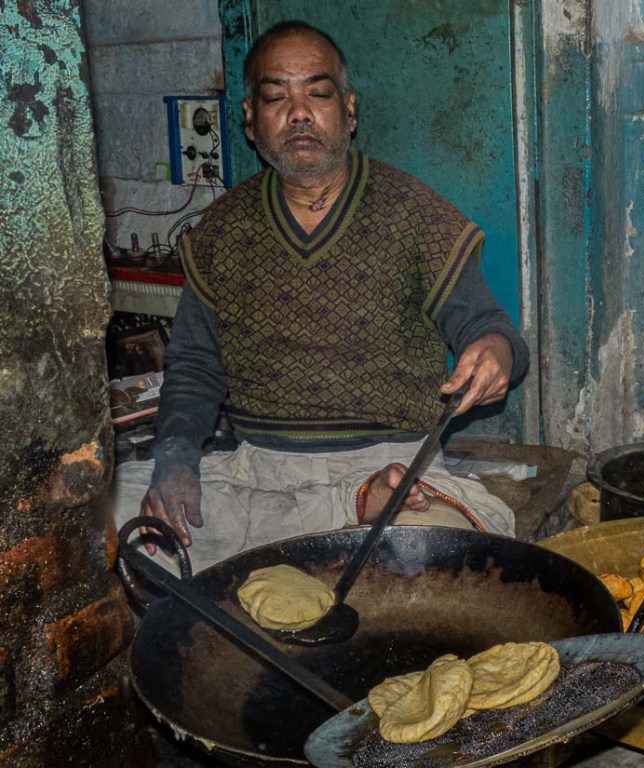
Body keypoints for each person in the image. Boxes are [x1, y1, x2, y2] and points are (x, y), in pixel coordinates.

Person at [112, 20, 528, 572]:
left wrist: (495, 350)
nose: (299, 112)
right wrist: (175, 459)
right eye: (276, 97)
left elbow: (490, 329)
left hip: (393, 473)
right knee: (104, 518)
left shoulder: (413, 215)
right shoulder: (220, 230)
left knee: (440, 554)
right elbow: (193, 368)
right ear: (250, 122)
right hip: (259, 477)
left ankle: (340, 525)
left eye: (318, 93)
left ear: (349, 111)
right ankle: (329, 527)